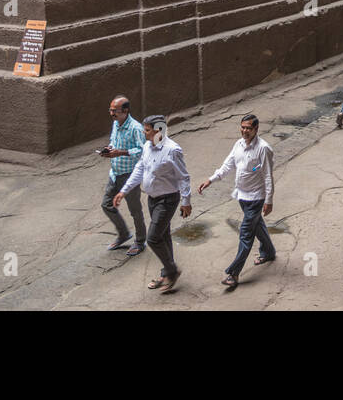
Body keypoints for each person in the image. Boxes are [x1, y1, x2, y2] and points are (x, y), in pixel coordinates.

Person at [113, 115, 192, 293]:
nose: (144, 133)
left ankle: (172, 270)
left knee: (153, 238)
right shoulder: (148, 147)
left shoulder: (173, 150)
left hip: (168, 199)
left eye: (147, 130)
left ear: (159, 131)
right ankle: (167, 273)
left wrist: (186, 201)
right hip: (152, 199)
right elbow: (140, 168)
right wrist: (123, 190)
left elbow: (183, 177)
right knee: (163, 236)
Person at [198, 114, 276, 290]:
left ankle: (233, 273)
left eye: (249, 128)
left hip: (256, 197)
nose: (245, 131)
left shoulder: (263, 149)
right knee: (257, 226)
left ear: (256, 129)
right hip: (242, 196)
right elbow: (227, 165)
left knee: (246, 234)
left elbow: (268, 176)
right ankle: (269, 252)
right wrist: (210, 180)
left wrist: (269, 200)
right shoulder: (238, 145)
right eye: (243, 127)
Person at [100, 95, 146, 257]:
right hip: (115, 173)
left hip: (130, 176)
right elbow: (114, 141)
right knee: (107, 205)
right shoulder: (115, 124)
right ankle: (124, 234)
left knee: (135, 210)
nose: (111, 113)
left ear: (125, 111)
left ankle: (140, 241)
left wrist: (122, 152)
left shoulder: (136, 128)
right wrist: (109, 149)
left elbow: (142, 151)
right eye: (110, 110)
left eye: (115, 111)